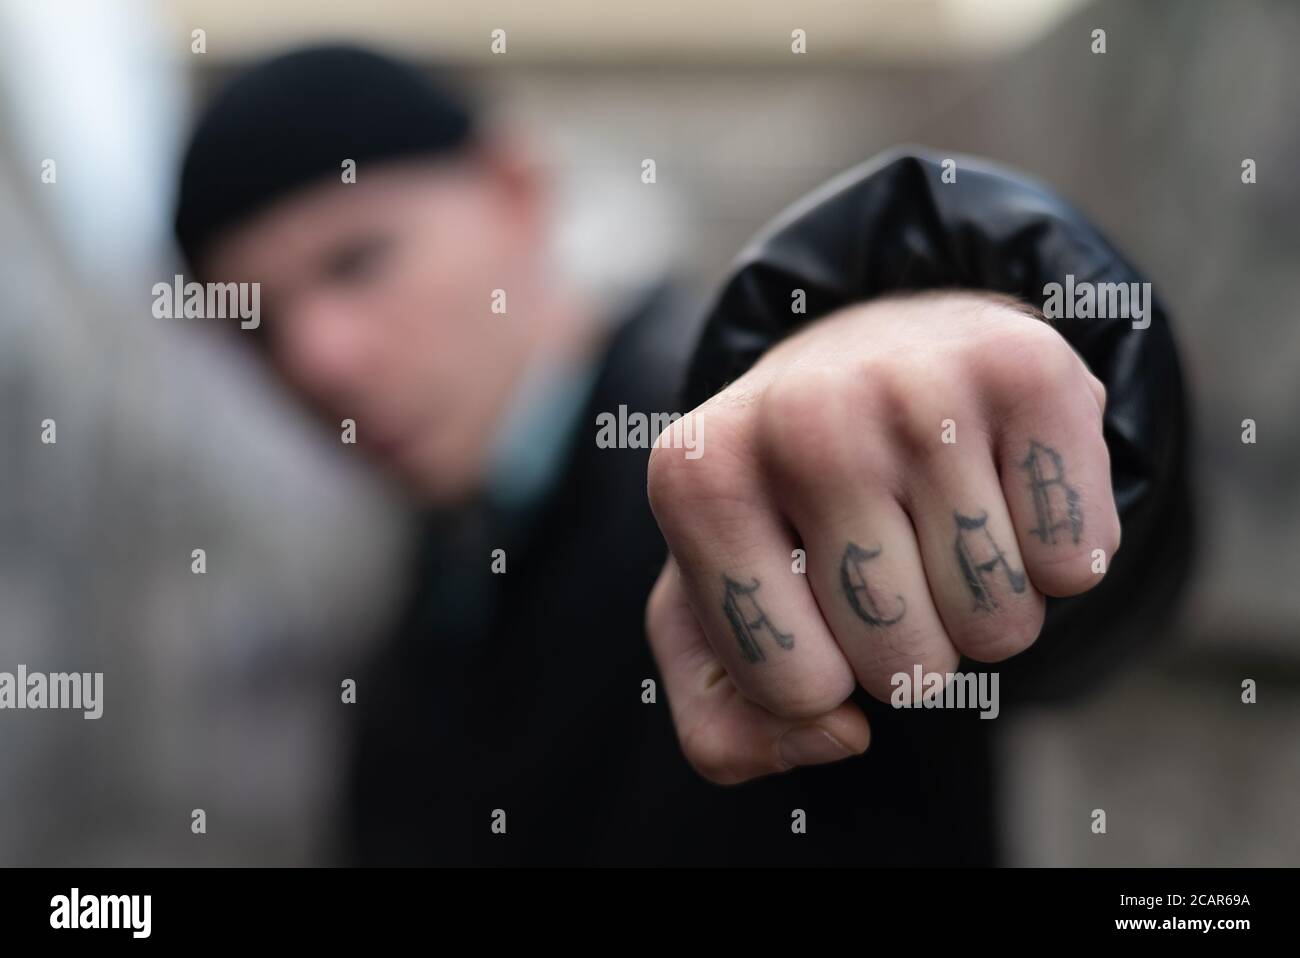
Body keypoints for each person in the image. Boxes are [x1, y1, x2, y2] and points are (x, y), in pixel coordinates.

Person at [173, 45, 1191, 865]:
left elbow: (1083, 577)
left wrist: (978, 328)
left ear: (516, 191)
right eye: (260, 324)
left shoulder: (727, 436)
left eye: (358, 259)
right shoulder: (423, 595)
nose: (322, 357)